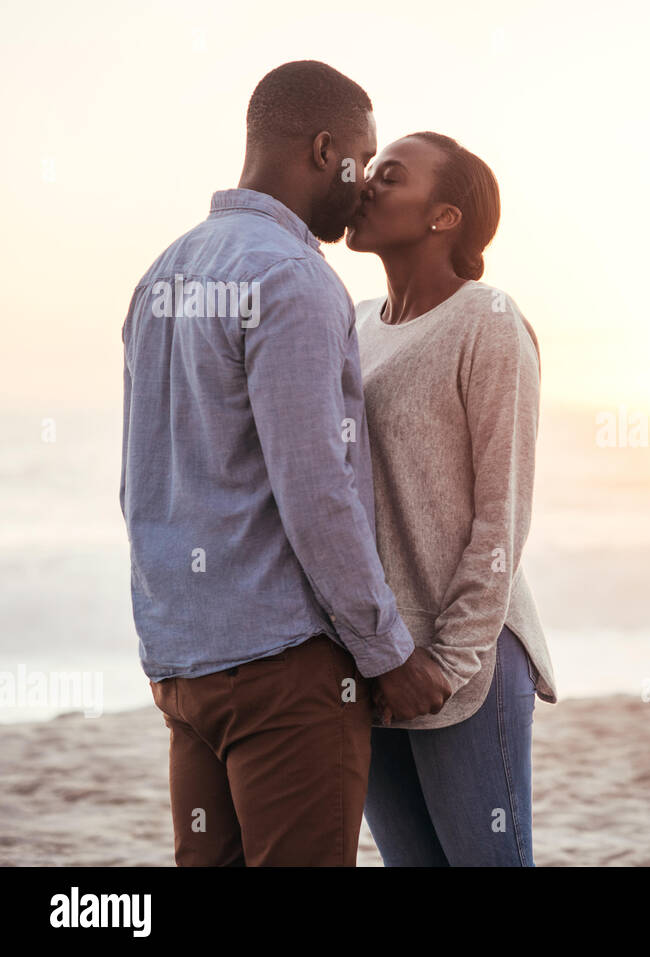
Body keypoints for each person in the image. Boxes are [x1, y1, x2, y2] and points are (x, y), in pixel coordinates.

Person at [119, 61, 450, 867]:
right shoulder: (294, 277)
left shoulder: (163, 273)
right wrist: (387, 652)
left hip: (183, 666)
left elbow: (143, 484)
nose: (364, 183)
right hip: (284, 671)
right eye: (362, 162)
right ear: (324, 147)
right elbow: (316, 493)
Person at [344, 132, 557, 866]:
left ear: (444, 217)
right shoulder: (356, 323)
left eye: (390, 175)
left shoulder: (487, 322)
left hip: (464, 661)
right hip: (378, 659)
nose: (365, 183)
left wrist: (449, 661)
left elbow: (504, 514)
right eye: (370, 170)